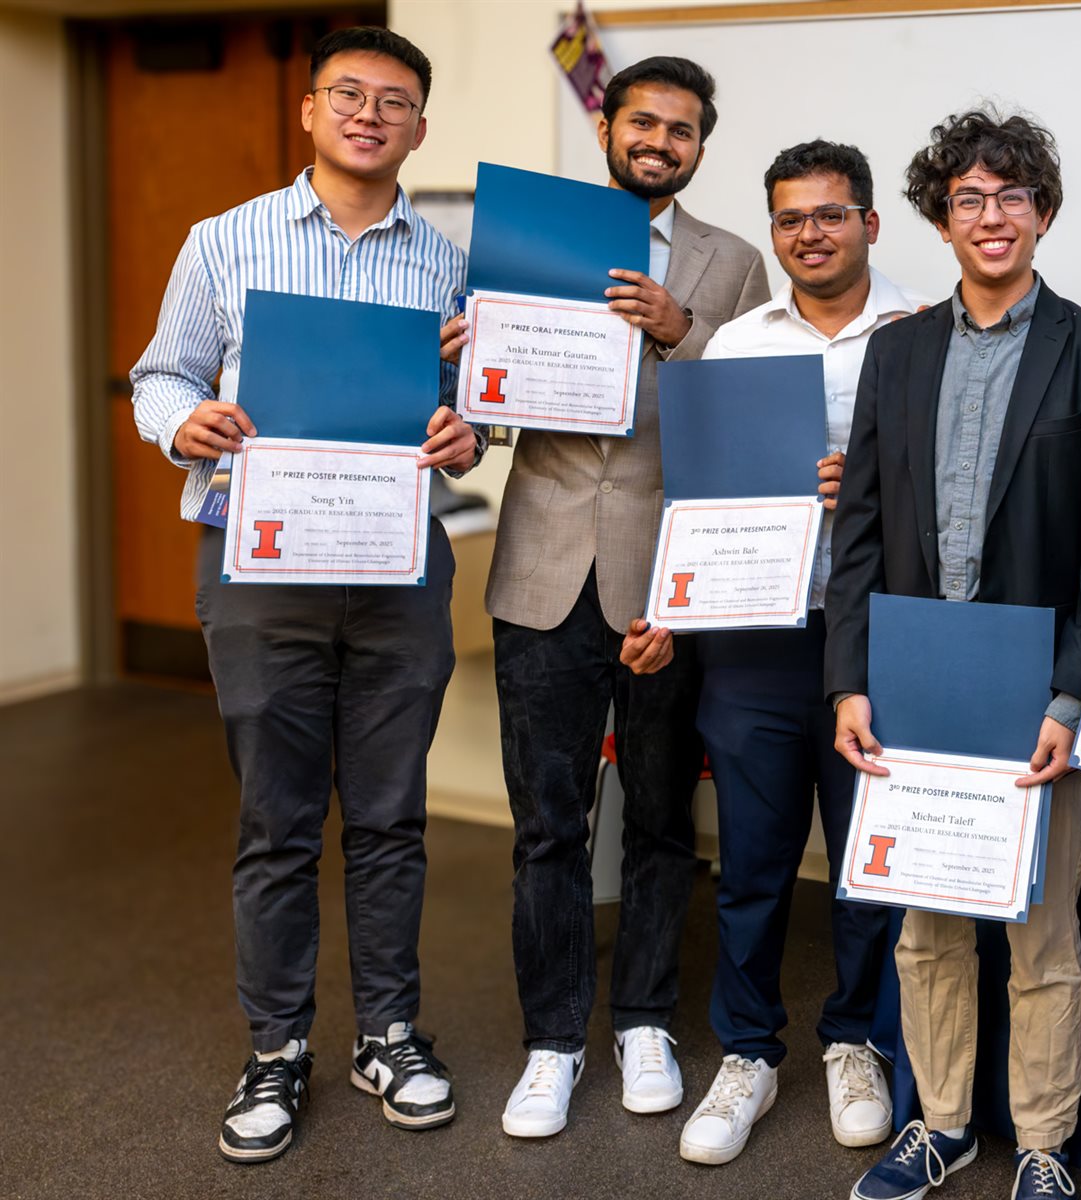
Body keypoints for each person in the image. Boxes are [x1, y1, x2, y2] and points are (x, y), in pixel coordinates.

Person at [128, 26, 478, 1163]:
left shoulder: (449, 263)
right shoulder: (222, 240)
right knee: (277, 823)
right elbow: (161, 373)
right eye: (349, 93)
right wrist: (182, 420)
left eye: (395, 101)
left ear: (419, 128)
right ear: (310, 110)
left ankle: (389, 1034)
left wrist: (469, 434)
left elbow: (473, 407)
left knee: (390, 817)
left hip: (395, 570)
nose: (371, 114)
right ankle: (276, 1049)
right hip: (261, 565)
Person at [825, 107, 1081, 1200]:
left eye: (1012, 196)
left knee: (1042, 938)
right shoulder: (897, 350)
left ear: (1043, 213)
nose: (991, 215)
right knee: (926, 932)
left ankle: (1045, 1141)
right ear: (941, 219)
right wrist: (850, 681)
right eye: (969, 198)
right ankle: (943, 1124)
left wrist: (1071, 697)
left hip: (1036, 693)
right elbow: (860, 530)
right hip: (915, 687)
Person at [467, 55, 771, 1140]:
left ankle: (645, 1020)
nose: (658, 142)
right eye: (643, 122)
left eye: (680, 130)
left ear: (700, 147)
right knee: (547, 824)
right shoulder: (529, 237)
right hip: (543, 569)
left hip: (666, 580)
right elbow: (487, 418)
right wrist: (469, 371)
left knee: (659, 817)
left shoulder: (735, 263)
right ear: (607, 127)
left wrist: (682, 329)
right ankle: (551, 1042)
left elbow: (748, 415)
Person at [675, 140, 929, 1166]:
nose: (810, 234)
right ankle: (747, 1051)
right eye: (790, 219)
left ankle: (854, 1039)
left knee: (870, 859)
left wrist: (867, 482)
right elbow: (699, 490)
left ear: (870, 222)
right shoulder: (737, 345)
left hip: (879, 633)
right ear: (774, 231)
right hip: (757, 634)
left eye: (830, 214)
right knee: (752, 858)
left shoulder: (925, 332)